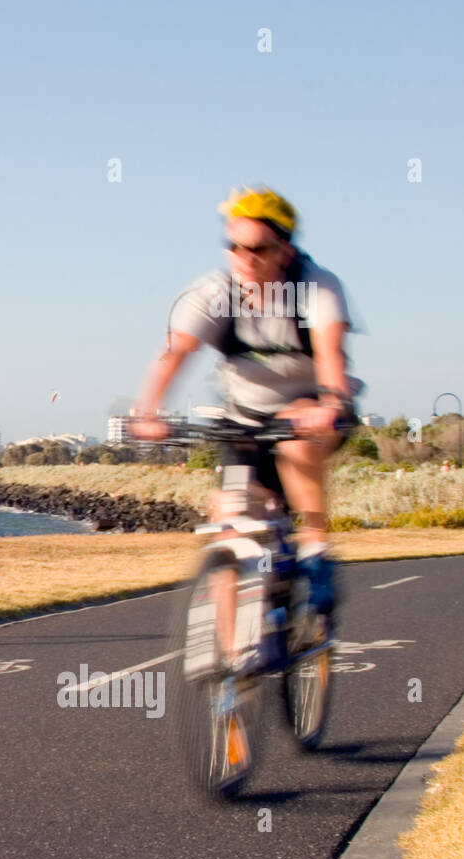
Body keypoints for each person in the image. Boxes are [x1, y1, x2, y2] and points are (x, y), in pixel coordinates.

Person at [130, 187, 361, 621]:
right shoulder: (215, 293)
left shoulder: (316, 287)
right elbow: (175, 353)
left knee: (297, 445)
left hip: (309, 412)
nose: (244, 259)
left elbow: (331, 352)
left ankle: (315, 552)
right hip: (245, 422)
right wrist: (148, 411)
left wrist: (329, 402)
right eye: (234, 247)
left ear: (285, 250)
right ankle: (231, 669)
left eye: (258, 249)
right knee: (229, 523)